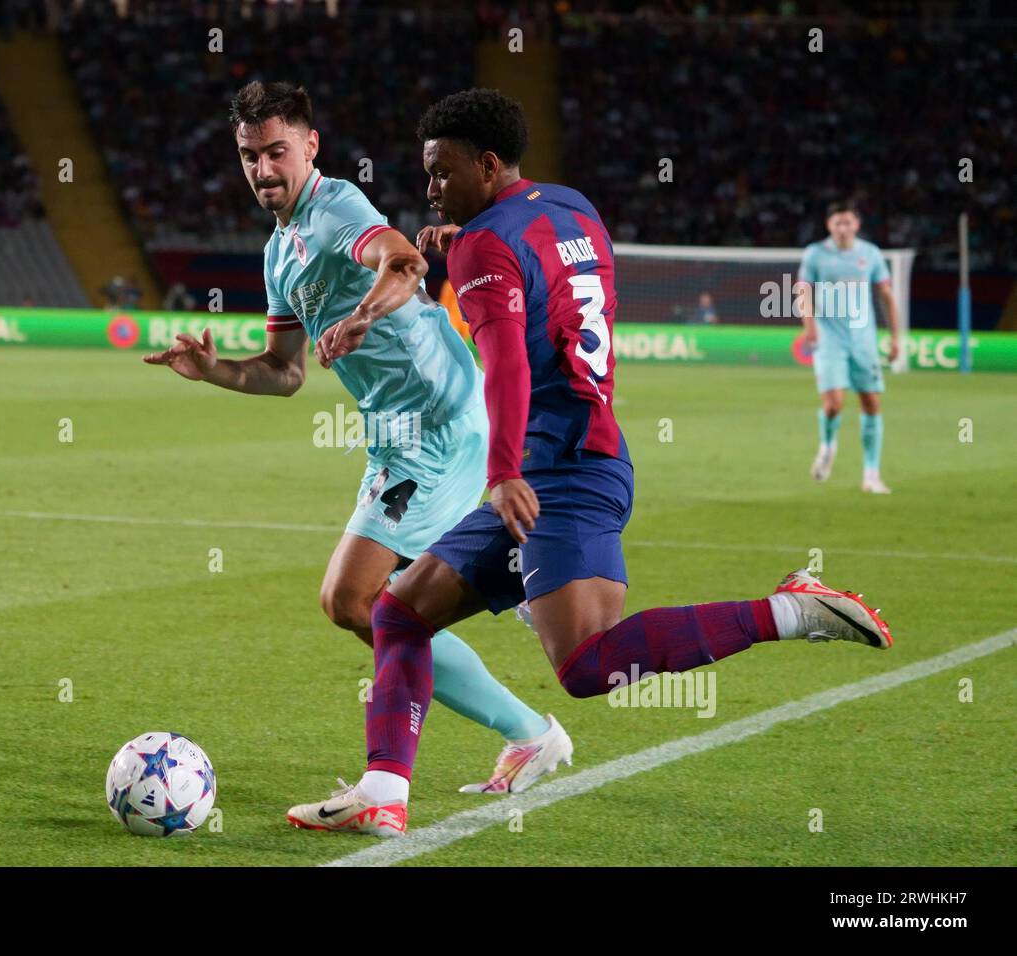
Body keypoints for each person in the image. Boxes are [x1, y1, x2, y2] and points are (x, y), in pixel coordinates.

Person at [287, 89, 893, 838]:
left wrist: (503, 467)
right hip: (578, 452)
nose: (431, 189)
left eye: (442, 173)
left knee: (585, 666)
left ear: (485, 164)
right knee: (400, 612)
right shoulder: (573, 208)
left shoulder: (482, 246)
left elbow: (506, 361)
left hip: (559, 474)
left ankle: (796, 610)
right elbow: (546, 286)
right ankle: (383, 789)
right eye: (426, 174)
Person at [144, 81, 572, 795]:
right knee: (380, 604)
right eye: (250, 156)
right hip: (397, 438)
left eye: (277, 151)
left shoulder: (337, 206)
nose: (264, 170)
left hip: (437, 426)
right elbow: (283, 373)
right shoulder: (279, 253)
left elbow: (404, 262)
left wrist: (364, 316)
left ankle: (518, 726)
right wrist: (213, 369)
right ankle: (523, 652)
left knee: (354, 599)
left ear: (310, 147)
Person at [798, 201, 901, 493]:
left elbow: (886, 296)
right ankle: (828, 447)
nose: (842, 228)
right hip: (829, 337)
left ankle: (871, 475)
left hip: (863, 340)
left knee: (871, 402)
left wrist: (895, 337)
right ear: (828, 225)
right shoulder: (815, 254)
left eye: (848, 222)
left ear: (857, 225)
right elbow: (803, 292)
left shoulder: (870, 254)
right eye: (837, 223)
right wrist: (809, 325)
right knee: (833, 404)